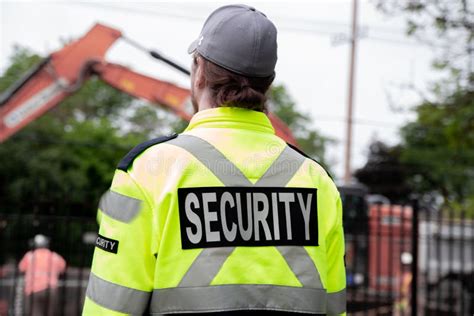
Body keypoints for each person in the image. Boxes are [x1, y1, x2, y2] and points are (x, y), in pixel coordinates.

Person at [83, 4, 346, 315]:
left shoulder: (145, 172)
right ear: (268, 84)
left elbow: (109, 308)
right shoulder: (319, 184)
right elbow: (334, 309)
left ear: (200, 71)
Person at [19, 234, 66, 316]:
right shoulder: (54, 256)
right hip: (51, 289)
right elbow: (63, 268)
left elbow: (21, 268)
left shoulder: (29, 256)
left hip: (33, 290)